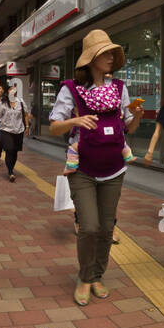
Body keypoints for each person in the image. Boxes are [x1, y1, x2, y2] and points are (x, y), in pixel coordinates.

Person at [48, 30, 135, 306]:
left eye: (112, 53)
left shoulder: (120, 88)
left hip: (115, 169)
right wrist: (75, 122)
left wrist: (138, 116)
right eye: (105, 53)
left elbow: (129, 126)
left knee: (107, 228)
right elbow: (53, 126)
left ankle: (97, 275)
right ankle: (85, 277)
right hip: (82, 168)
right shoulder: (71, 89)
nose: (110, 58)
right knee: (89, 226)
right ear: (92, 58)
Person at [0, 76, 27, 179]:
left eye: (15, 90)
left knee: (15, 151)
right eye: (11, 89)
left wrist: (28, 126)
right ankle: (10, 172)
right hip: (6, 130)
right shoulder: (3, 104)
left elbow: (25, 114)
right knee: (9, 149)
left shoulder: (21, 102)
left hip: (19, 130)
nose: (13, 91)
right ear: (8, 92)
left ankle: (11, 167)